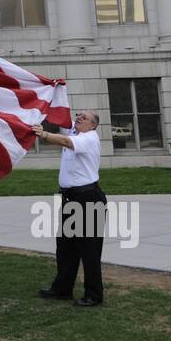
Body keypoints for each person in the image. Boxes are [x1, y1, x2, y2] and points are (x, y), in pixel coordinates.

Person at [32, 110, 107, 307]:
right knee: (66, 247)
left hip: (88, 198)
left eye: (85, 117)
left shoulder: (89, 138)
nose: (80, 117)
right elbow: (61, 119)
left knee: (89, 250)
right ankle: (62, 289)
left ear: (93, 125)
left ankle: (94, 295)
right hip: (71, 198)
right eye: (79, 114)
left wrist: (43, 134)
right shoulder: (75, 132)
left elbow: (64, 141)